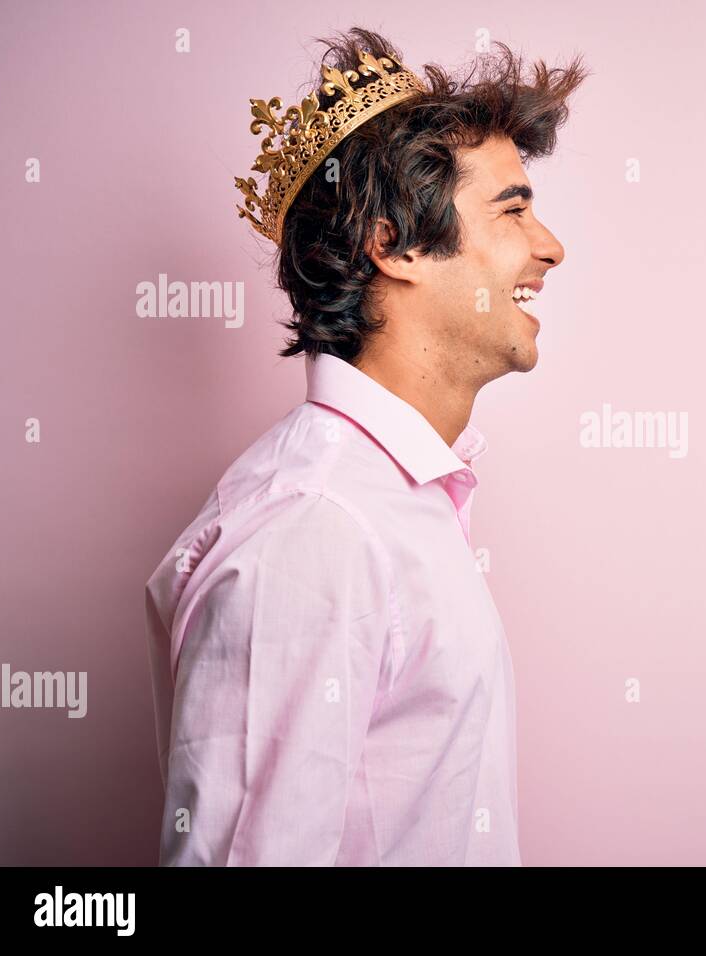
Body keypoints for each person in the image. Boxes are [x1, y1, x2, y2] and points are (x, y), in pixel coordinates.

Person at [144, 27, 589, 865]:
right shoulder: (314, 529)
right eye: (512, 208)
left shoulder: (394, 501)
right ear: (396, 246)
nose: (550, 246)